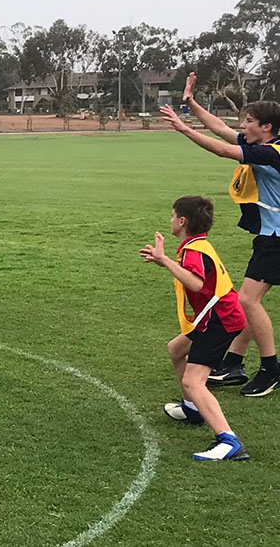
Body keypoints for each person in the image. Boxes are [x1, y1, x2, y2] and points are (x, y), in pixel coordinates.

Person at [161, 73, 280, 397]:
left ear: (267, 127)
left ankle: (270, 370)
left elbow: (223, 149)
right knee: (248, 302)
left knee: (248, 301)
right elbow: (221, 129)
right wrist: (191, 104)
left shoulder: (271, 153)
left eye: (249, 121)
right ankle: (234, 363)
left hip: (277, 239)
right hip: (269, 236)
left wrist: (184, 129)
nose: (243, 126)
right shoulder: (262, 145)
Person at [140, 195, 249, 460]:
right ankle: (192, 408)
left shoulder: (194, 251)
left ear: (182, 221)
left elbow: (197, 284)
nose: (170, 220)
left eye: (172, 215)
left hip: (219, 320)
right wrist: (165, 261)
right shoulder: (197, 245)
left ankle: (229, 441)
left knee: (193, 381)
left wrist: (165, 261)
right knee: (176, 349)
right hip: (214, 316)